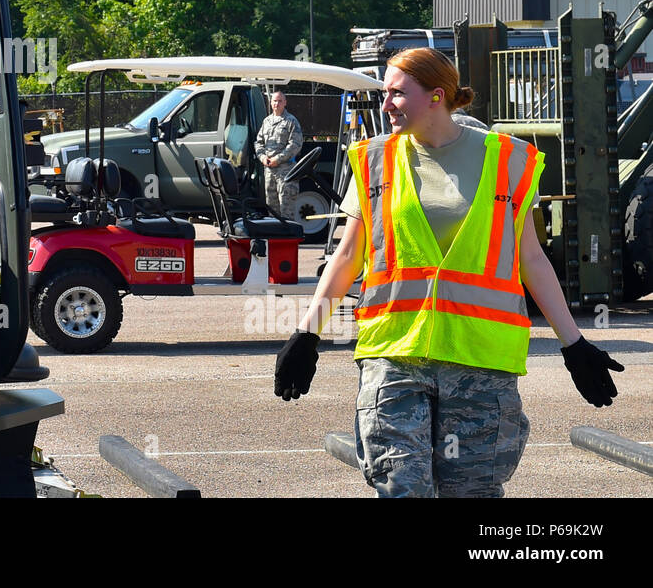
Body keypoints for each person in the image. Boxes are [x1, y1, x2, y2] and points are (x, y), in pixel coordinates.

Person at [273, 47, 623, 498]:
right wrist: (307, 335)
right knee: (401, 487)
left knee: (471, 492)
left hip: (479, 362)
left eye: (397, 93)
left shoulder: (509, 161)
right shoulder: (374, 160)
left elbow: (530, 259)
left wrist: (573, 343)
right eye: (385, 93)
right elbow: (347, 257)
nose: (385, 105)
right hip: (394, 355)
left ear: (436, 95)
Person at [254, 90, 304, 219]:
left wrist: (278, 158)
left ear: (285, 103)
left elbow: (295, 144)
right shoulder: (266, 121)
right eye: (274, 101)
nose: (277, 103)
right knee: (272, 210)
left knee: (286, 210)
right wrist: (263, 157)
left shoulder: (291, 121)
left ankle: (289, 238)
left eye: (280, 101)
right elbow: (258, 143)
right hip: (269, 171)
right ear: (270, 103)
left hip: (286, 172)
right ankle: (275, 237)